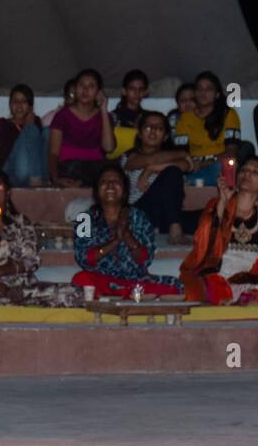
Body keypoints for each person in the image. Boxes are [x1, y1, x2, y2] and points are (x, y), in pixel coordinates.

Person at [0, 166, 83, 306]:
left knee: (73, 292)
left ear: (8, 192)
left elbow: (32, 259)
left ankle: (18, 302)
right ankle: (20, 304)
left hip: (21, 288)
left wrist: (3, 271)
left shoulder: (21, 223)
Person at [71, 165, 180, 297]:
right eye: (104, 182)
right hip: (102, 281)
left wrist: (127, 235)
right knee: (81, 279)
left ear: (124, 190)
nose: (110, 185)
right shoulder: (85, 219)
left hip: (134, 282)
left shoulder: (139, 217)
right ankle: (124, 295)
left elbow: (145, 259)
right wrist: (115, 241)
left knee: (175, 286)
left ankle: (121, 294)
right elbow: (83, 258)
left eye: (116, 182)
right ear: (96, 190)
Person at [179, 156, 258, 305]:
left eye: (255, 172)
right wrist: (222, 203)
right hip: (216, 273)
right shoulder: (217, 204)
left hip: (249, 277)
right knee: (196, 292)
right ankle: (231, 300)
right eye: (243, 170)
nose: (247, 174)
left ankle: (237, 299)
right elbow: (204, 244)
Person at [120, 110, 194, 246]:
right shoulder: (130, 156)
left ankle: (172, 225)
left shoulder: (172, 155)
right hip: (140, 211)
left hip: (167, 213)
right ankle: (175, 231)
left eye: (159, 128)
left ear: (165, 136)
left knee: (209, 216)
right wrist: (182, 153)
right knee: (171, 171)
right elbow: (152, 159)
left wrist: (151, 169)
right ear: (140, 134)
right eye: (148, 127)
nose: (153, 130)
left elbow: (186, 165)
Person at [48, 68, 115, 187]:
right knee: (74, 166)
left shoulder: (104, 116)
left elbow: (109, 148)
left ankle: (82, 183)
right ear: (75, 88)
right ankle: (83, 183)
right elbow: (53, 153)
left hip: (95, 166)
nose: (85, 90)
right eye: (81, 85)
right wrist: (55, 178)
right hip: (69, 167)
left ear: (98, 92)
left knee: (112, 169)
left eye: (91, 86)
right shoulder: (62, 115)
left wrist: (103, 109)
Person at [175, 71, 242, 186]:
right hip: (193, 165)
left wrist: (206, 163)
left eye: (209, 89)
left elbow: (232, 150)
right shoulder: (185, 118)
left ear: (217, 94)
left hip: (218, 163)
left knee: (228, 164)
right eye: (199, 89)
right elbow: (181, 152)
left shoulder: (228, 114)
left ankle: (194, 183)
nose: (203, 93)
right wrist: (193, 164)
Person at [0, 84, 47, 187]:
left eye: (23, 101)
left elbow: (37, 151)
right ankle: (36, 180)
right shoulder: (3, 123)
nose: (19, 105)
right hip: (11, 172)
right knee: (30, 131)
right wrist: (27, 126)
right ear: (10, 105)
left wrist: (30, 125)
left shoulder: (36, 122)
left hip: (34, 172)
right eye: (15, 101)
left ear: (30, 106)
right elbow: (9, 149)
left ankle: (40, 178)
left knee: (47, 132)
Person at [107, 69, 149, 159]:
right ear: (124, 91)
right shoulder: (112, 117)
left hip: (140, 163)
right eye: (132, 89)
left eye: (141, 89)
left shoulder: (149, 118)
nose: (137, 93)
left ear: (145, 92)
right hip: (114, 164)